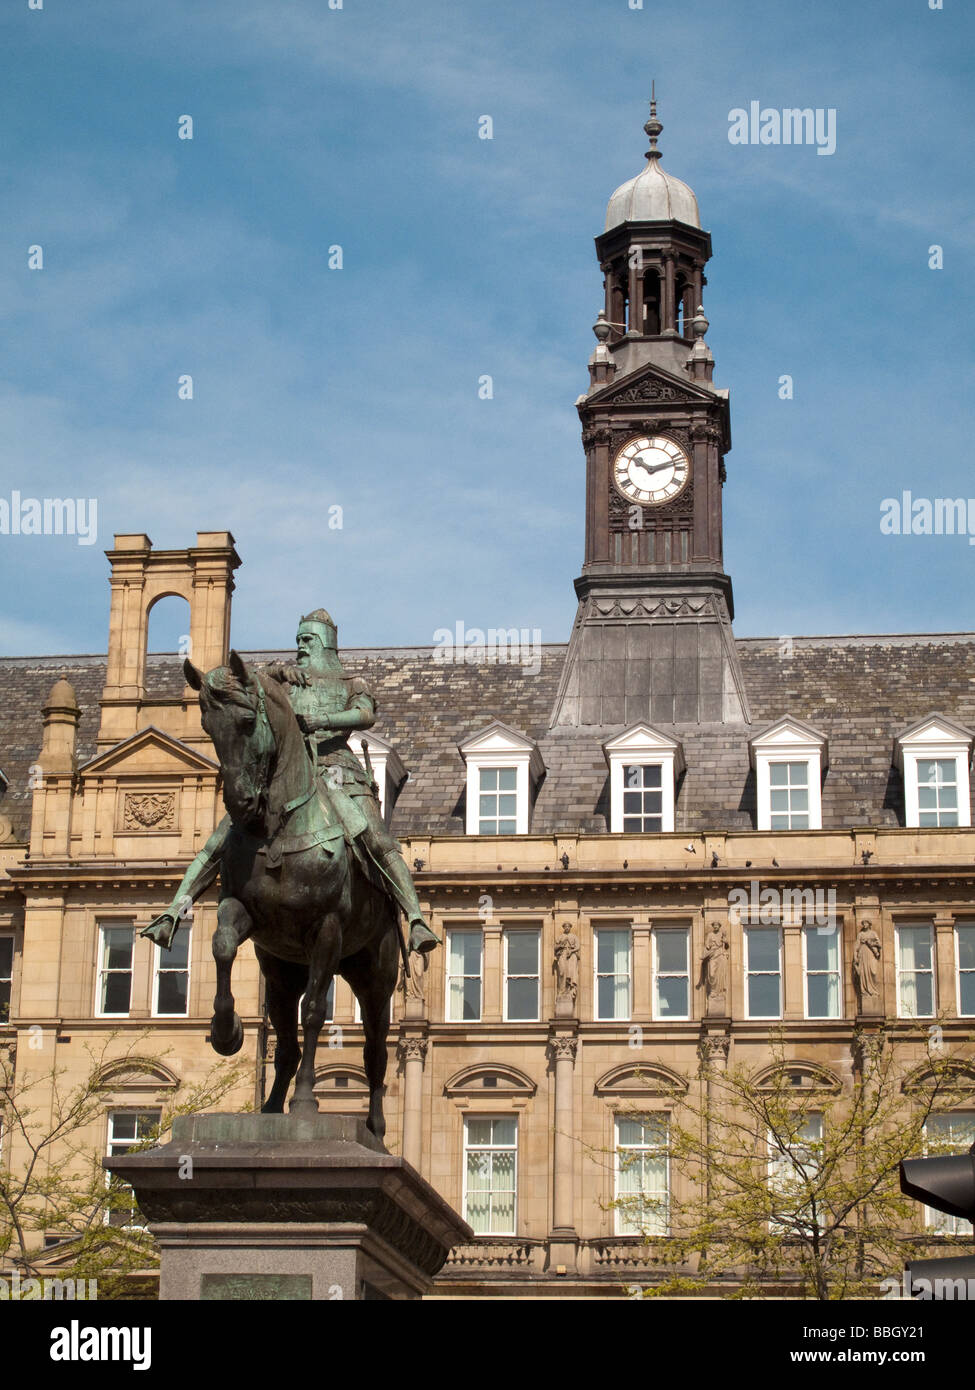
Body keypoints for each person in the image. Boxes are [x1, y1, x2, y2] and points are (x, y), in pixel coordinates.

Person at [143, 608, 439, 956]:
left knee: (375, 837)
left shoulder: (350, 683)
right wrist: (273, 671)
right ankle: (173, 911)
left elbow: (366, 715)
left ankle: (416, 919)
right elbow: (244, 683)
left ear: (327, 644)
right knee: (221, 837)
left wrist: (320, 719)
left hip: (337, 770)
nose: (300, 645)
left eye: (308, 639)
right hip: (284, 776)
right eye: (298, 638)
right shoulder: (284, 678)